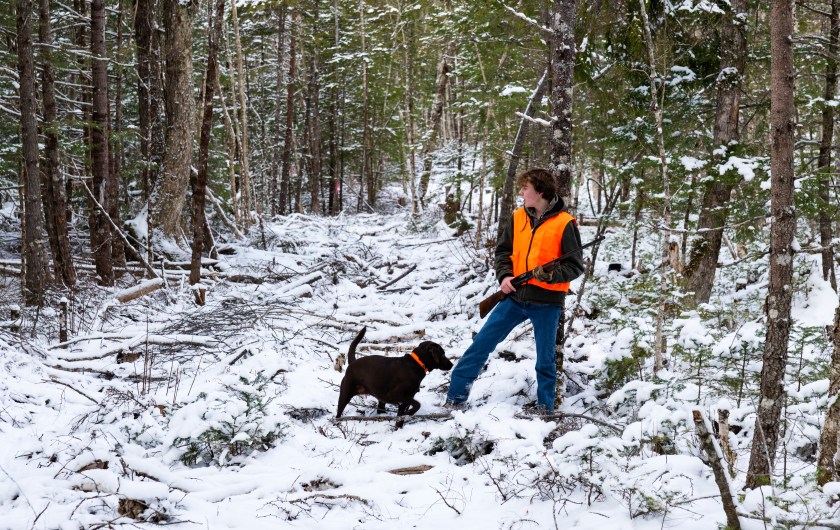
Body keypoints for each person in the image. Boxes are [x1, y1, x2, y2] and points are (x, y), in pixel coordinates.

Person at [444, 168, 584, 414]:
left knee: (545, 361)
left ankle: (545, 409)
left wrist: (550, 275)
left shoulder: (565, 223)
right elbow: (503, 252)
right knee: (480, 345)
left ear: (539, 192)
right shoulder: (519, 217)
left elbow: (575, 267)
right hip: (514, 297)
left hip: (547, 303)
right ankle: (454, 399)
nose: (521, 192)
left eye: (525, 189)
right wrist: (505, 276)